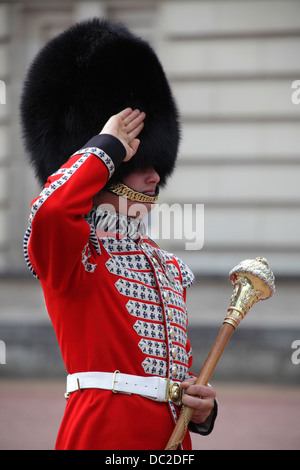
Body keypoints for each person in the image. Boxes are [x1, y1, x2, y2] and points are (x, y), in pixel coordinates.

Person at [21, 19, 217, 450]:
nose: (155, 177)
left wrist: (199, 411)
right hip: (102, 433)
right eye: (141, 161)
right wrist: (106, 148)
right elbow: (52, 209)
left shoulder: (166, 266)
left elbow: (169, 380)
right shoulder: (72, 252)